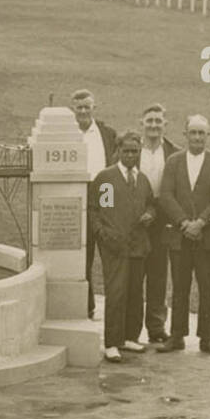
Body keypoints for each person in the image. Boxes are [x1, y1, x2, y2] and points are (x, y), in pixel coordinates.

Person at [155, 115, 210, 355]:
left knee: (207, 288)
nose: (197, 137)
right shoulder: (174, 161)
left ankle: (208, 338)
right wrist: (184, 223)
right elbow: (166, 195)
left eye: (202, 133)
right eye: (193, 133)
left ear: (209, 135)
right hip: (179, 237)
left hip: (207, 239)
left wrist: (201, 223)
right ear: (185, 134)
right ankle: (177, 336)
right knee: (179, 288)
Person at [89, 131, 156, 363]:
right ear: (118, 151)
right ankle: (112, 342)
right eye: (126, 151)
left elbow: (150, 204)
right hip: (115, 246)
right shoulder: (107, 178)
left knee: (135, 292)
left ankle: (129, 336)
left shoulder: (143, 179)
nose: (130, 155)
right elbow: (100, 210)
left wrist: (149, 214)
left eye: (134, 151)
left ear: (139, 153)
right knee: (116, 292)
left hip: (138, 245)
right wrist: (103, 233)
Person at [70, 89, 117, 319]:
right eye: (79, 107)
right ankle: (87, 308)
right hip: (80, 198)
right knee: (83, 258)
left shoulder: (107, 133)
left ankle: (114, 310)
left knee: (110, 254)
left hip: (104, 195)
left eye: (87, 106)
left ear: (93, 108)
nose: (83, 111)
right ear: (73, 109)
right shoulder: (67, 134)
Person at [137, 104, 179, 344]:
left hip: (162, 222)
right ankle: (129, 327)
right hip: (136, 222)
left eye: (158, 121)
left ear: (165, 124)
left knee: (158, 275)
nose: (153, 125)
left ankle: (156, 327)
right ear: (141, 123)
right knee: (133, 275)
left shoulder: (174, 152)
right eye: (149, 120)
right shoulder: (129, 149)